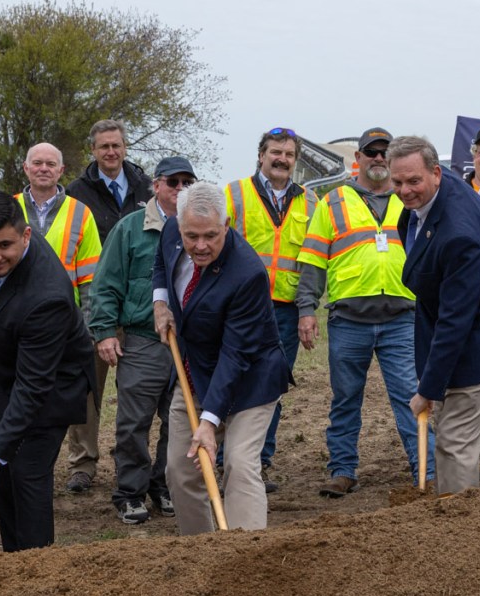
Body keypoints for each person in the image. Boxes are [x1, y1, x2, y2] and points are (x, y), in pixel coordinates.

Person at [389, 135, 480, 494]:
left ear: (436, 173)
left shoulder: (459, 235)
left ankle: (458, 527)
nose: (405, 191)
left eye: (414, 181)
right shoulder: (437, 192)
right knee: (453, 435)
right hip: (456, 329)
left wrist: (428, 389)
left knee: (453, 441)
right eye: (398, 182)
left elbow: (455, 321)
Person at [151, 183, 290, 533]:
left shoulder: (247, 274)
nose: (200, 245)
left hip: (250, 378)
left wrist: (210, 422)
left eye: (210, 236)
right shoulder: (172, 230)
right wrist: (161, 302)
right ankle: (202, 554)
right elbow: (160, 263)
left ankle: (247, 556)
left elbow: (234, 354)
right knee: (180, 469)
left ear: (226, 224)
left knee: (240, 464)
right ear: (178, 225)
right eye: (191, 236)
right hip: (194, 370)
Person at [0, 191, 97, 552]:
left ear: (25, 237)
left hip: (52, 388)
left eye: (3, 246)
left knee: (26, 475)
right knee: (5, 474)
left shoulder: (46, 298)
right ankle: (13, 560)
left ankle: (37, 568)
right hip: (11, 372)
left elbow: (33, 388)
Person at [296, 128, 425, 496]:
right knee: (345, 398)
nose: (379, 158)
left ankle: (426, 470)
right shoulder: (334, 201)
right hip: (349, 320)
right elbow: (313, 260)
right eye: (372, 152)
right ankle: (342, 470)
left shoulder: (410, 198)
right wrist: (307, 309)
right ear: (359, 158)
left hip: (402, 318)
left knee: (410, 396)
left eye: (386, 152)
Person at [85, 157, 189, 525]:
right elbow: (106, 283)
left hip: (187, 343)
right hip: (143, 340)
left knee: (179, 422)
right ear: (156, 186)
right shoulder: (130, 229)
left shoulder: (197, 228)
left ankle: (163, 485)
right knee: (133, 423)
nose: (179, 189)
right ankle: (129, 492)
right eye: (172, 182)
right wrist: (104, 332)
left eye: (186, 183)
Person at [63, 120, 151, 495]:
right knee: (88, 388)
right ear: (93, 151)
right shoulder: (77, 193)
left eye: (116, 145)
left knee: (141, 389)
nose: (111, 152)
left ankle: (135, 458)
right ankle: (83, 462)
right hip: (95, 306)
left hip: (139, 306)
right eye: (103, 147)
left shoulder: (147, 186)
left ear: (125, 147)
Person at [225, 127, 310, 490]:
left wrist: (307, 308)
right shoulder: (233, 193)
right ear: (261, 154)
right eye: (275, 152)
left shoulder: (311, 201)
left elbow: (312, 259)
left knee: (271, 386)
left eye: (289, 154)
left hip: (286, 311)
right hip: (240, 307)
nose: (282, 159)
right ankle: (221, 456)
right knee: (230, 379)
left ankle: (259, 460)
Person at [17, 141, 104, 494]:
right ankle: (10, 458)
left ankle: (82, 464)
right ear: (25, 168)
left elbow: (90, 277)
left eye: (50, 163)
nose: (43, 169)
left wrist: (89, 325)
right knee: (14, 392)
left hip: (68, 324)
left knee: (79, 393)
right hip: (18, 321)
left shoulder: (81, 213)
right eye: (37, 163)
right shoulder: (9, 209)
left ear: (61, 170)